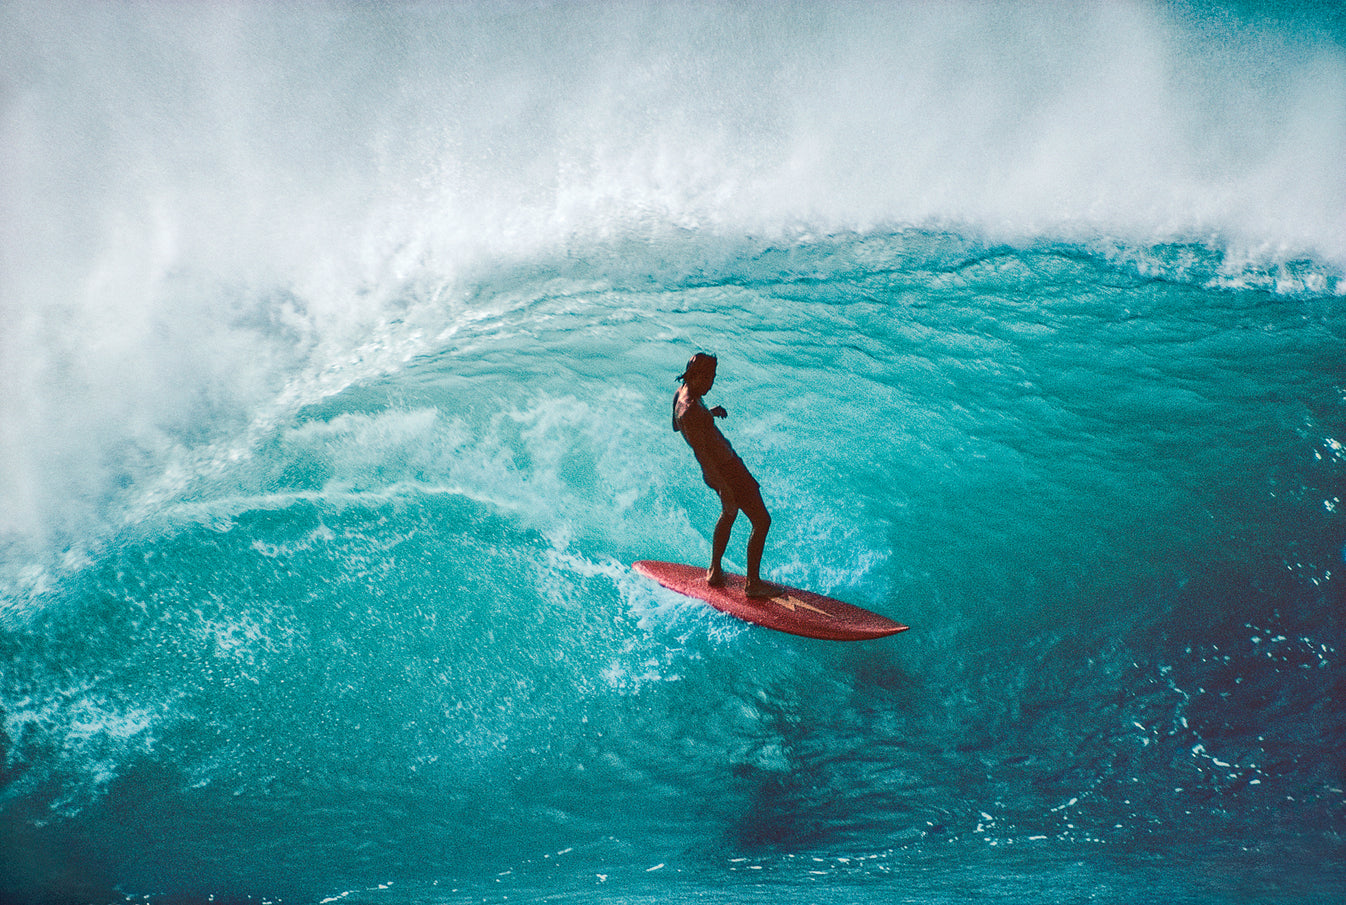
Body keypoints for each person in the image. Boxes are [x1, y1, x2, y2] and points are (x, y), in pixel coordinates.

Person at [672, 352, 777, 597]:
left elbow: (679, 427)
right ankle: (753, 584)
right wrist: (724, 487)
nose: (712, 384)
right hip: (725, 471)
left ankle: (715, 571)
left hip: (722, 469)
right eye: (709, 378)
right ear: (696, 376)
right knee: (762, 521)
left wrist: (708, 415)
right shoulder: (691, 410)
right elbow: (703, 455)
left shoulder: (682, 395)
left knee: (729, 514)